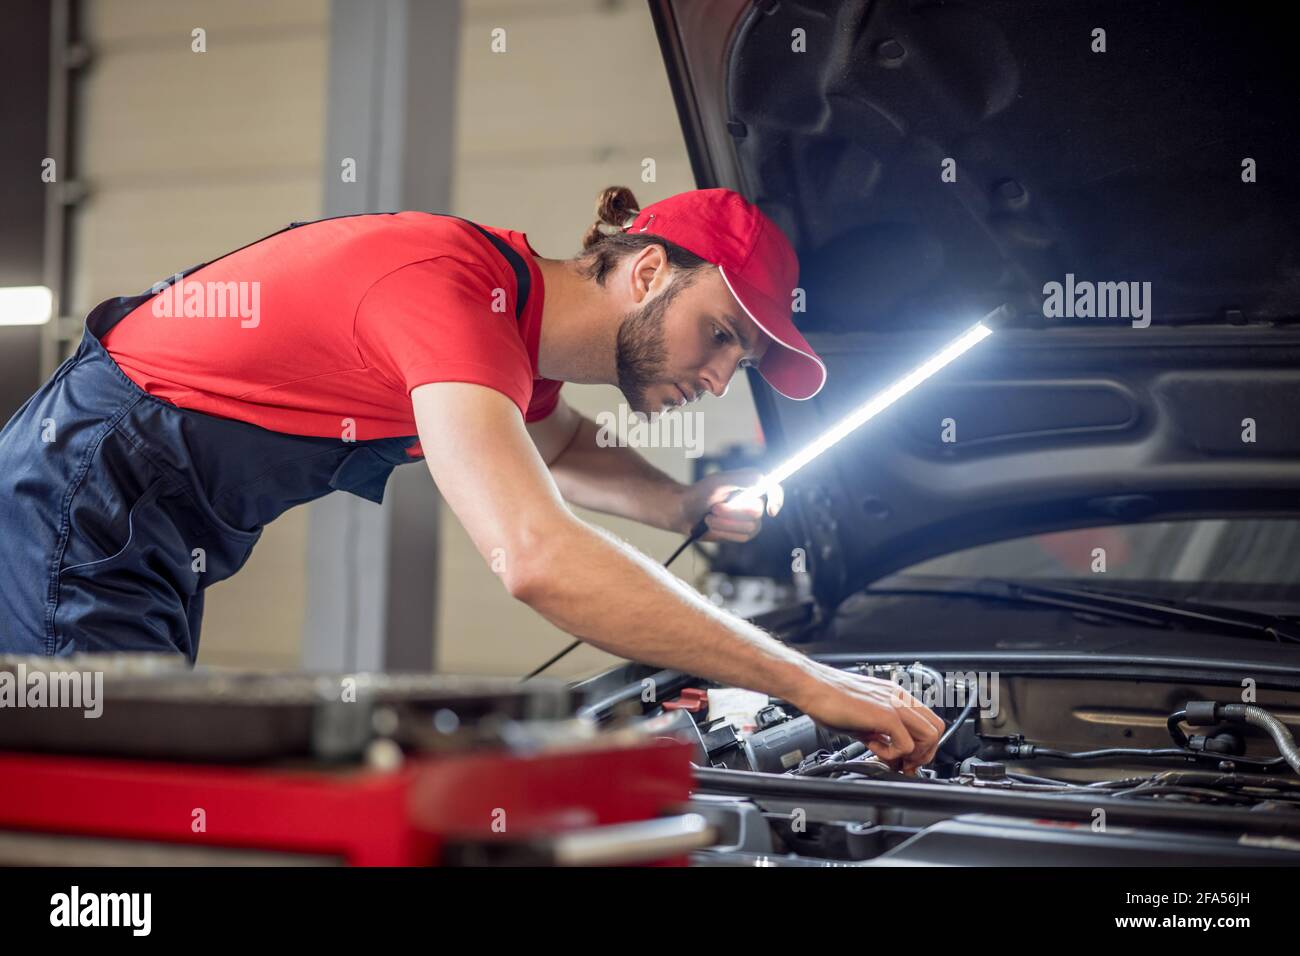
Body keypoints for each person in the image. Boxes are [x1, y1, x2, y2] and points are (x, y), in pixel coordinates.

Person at [0, 186, 941, 772]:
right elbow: (535, 557)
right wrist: (804, 680)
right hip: (88, 491)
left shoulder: (512, 330)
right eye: (725, 334)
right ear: (649, 270)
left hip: (141, 526)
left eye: (743, 362)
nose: (720, 374)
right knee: (110, 798)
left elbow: (562, 449)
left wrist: (685, 505)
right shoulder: (450, 293)